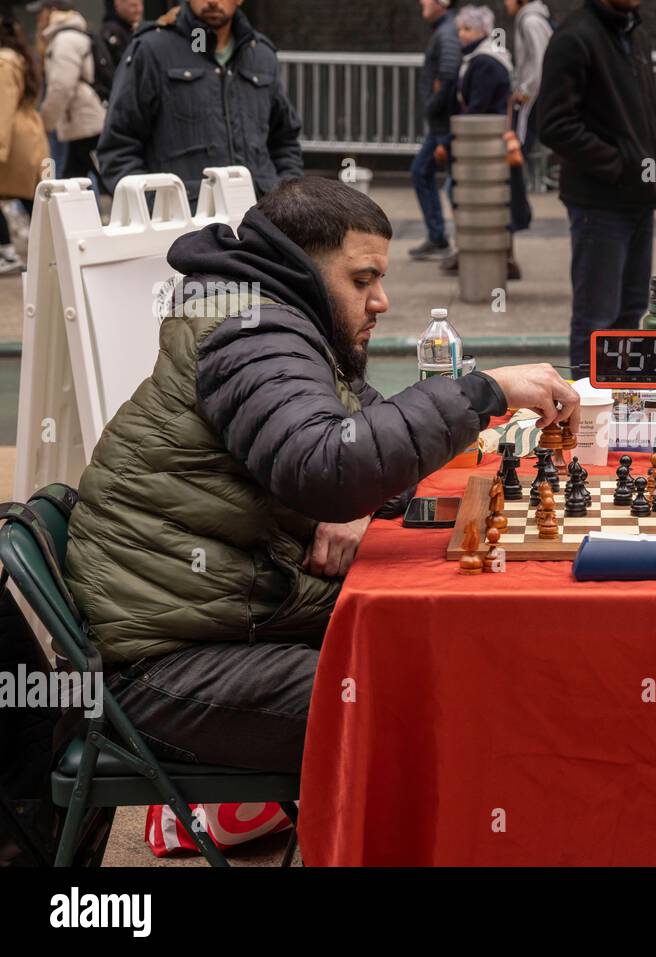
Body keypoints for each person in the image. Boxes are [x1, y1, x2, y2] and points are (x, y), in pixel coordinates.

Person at [63, 176, 579, 773]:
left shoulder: (286, 325)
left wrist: (360, 498)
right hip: (163, 666)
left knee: (451, 648)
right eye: (363, 280)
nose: (380, 301)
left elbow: (370, 450)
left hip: (227, 620)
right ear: (300, 268)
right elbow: (328, 467)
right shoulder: (253, 337)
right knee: (441, 701)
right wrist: (485, 391)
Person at [536, 0, 656, 371]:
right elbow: (553, 124)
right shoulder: (575, 37)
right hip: (598, 202)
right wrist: (618, 166)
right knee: (596, 316)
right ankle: (584, 414)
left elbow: (642, 115)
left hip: (638, 195)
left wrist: (653, 169)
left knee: (631, 309)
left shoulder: (634, 33)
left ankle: (617, 403)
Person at [97, 0, 302, 205]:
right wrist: (155, 209)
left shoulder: (261, 54)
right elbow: (119, 147)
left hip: (261, 220)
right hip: (184, 226)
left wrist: (285, 201)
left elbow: (285, 141)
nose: (212, 1)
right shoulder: (153, 49)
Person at [441, 4, 529, 280]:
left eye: (466, 29)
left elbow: (476, 110)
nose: (461, 36)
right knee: (495, 200)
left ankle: (485, 253)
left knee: (475, 198)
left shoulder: (484, 62)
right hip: (489, 145)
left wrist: (450, 139)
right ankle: (487, 253)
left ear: (481, 31)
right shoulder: (489, 57)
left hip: (483, 147)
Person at [36, 0, 105, 184]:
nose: (38, 18)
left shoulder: (64, 40)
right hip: (80, 122)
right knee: (74, 181)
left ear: (52, 11)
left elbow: (62, 86)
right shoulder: (70, 36)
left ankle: (136, 209)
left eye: (41, 12)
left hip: (85, 122)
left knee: (105, 178)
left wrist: (45, 121)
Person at [410, 0, 458, 262]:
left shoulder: (447, 31)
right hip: (442, 123)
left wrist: (432, 105)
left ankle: (445, 241)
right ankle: (440, 238)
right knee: (425, 172)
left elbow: (449, 73)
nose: (422, 2)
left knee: (449, 183)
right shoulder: (446, 29)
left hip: (444, 125)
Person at [0, 16, 47, 275]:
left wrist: (0, 146)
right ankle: (48, 248)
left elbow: (3, 106)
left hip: (14, 137)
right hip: (27, 131)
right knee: (32, 196)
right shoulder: (18, 56)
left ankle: (7, 250)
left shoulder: (3, 62)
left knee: (30, 196)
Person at [505, 0, 553, 175]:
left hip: (532, 94)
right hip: (533, 91)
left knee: (518, 147)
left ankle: (517, 198)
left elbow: (540, 61)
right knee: (519, 146)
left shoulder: (530, 21)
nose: (505, 2)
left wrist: (525, 90)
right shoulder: (529, 19)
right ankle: (518, 198)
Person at [97, 0, 144, 94]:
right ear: (118, 4)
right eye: (133, 6)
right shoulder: (110, 32)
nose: (139, 10)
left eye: (140, 5)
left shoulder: (134, 29)